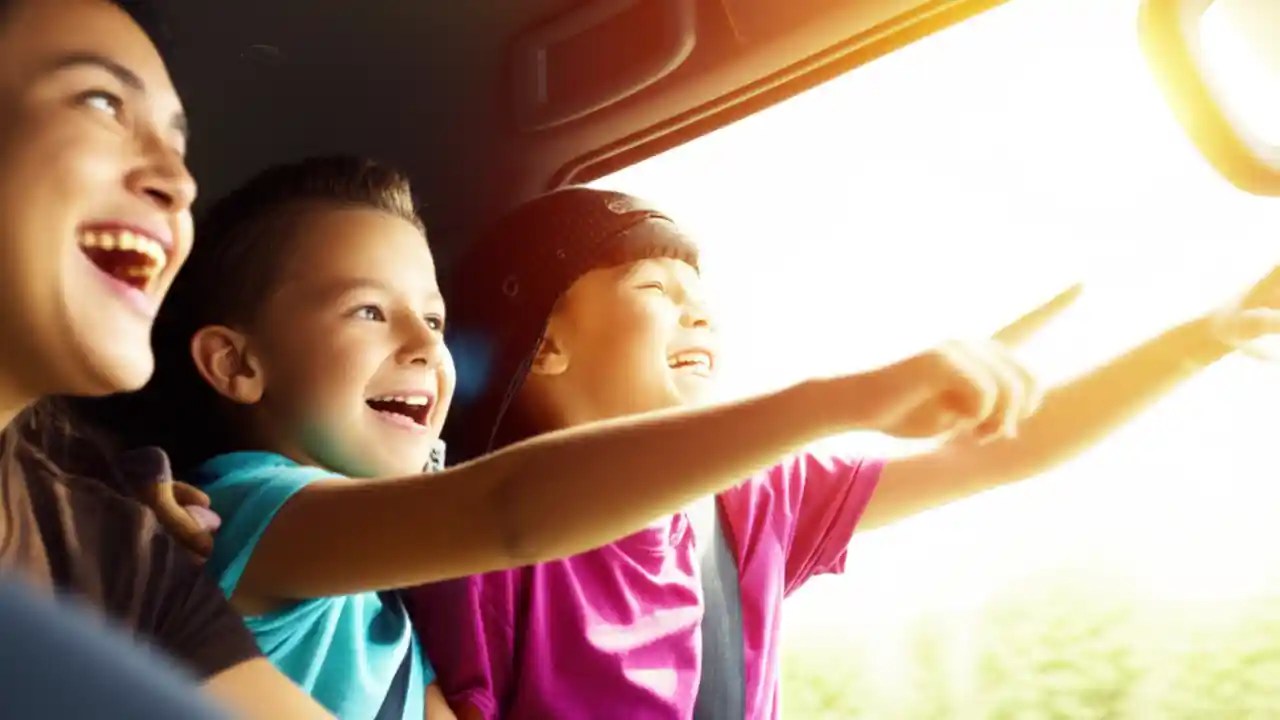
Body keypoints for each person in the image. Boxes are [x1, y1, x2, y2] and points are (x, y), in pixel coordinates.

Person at [111, 154, 1055, 719]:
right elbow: (508, 509)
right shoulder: (248, 509)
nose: (421, 347)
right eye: (368, 311)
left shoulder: (385, 597)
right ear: (237, 366)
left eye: (436, 322)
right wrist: (828, 404)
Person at [407, 187, 1280, 719]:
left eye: (703, 297)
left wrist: (1193, 342)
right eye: (657, 290)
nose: (700, 312)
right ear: (541, 347)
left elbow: (997, 455)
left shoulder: (752, 502)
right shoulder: (477, 543)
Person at [0, 0, 332, 716]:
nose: (180, 185)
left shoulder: (120, 551)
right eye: (100, 101)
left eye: (179, 149)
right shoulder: (237, 509)